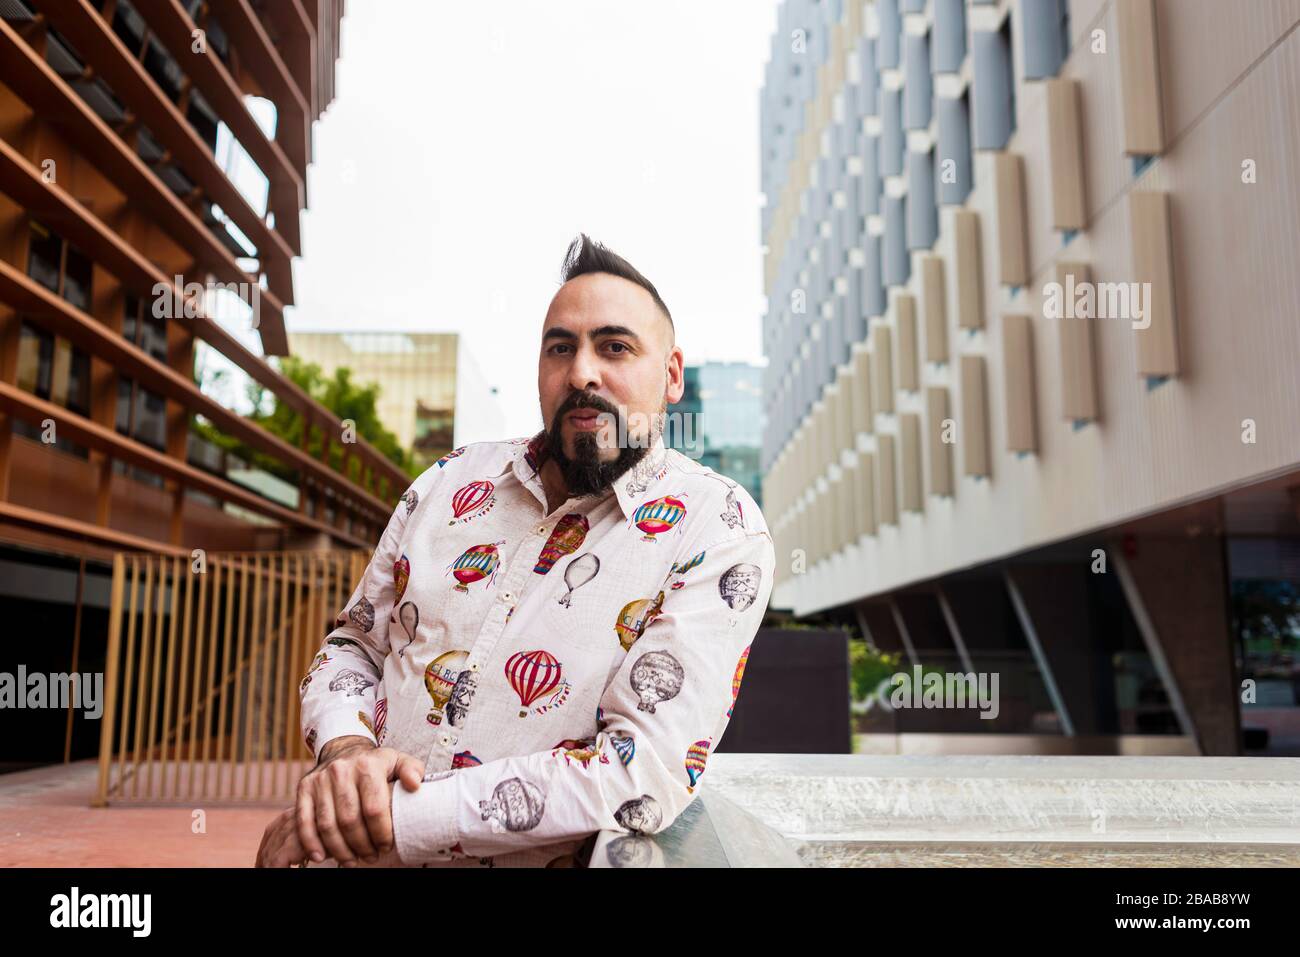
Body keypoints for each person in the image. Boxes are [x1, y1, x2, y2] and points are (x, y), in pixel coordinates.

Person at [256, 234, 774, 868]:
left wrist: (391, 818)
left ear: (670, 375)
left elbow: (640, 775)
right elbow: (355, 645)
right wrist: (344, 752)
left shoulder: (717, 528)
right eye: (561, 348)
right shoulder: (449, 482)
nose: (582, 371)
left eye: (615, 346)